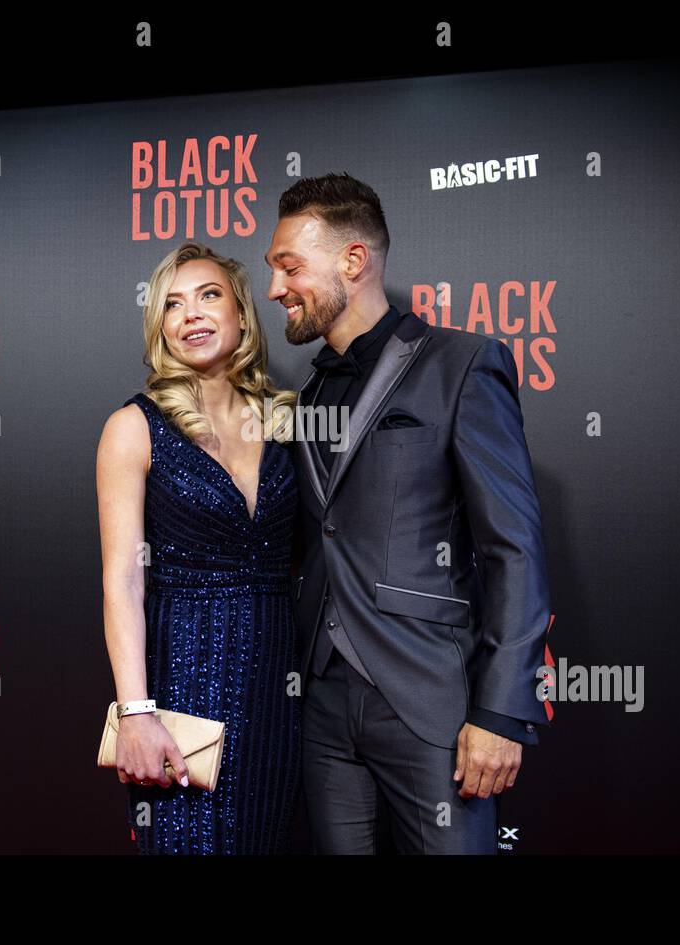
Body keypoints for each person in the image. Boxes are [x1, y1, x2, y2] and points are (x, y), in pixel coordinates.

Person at [266, 173, 553, 854]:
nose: (275, 287)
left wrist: (501, 713)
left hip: (432, 707)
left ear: (353, 261)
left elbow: (515, 547)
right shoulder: (308, 395)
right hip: (324, 707)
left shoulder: (461, 365)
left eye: (289, 265)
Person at [96, 241, 301, 854]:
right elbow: (123, 581)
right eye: (173, 305)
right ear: (160, 327)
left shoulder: (287, 423)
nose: (192, 314)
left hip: (277, 690)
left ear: (241, 312)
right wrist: (135, 711)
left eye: (209, 295)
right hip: (182, 684)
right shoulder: (133, 428)